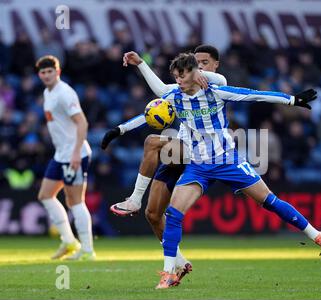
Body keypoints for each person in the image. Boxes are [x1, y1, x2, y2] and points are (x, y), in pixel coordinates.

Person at [143, 52, 321, 289]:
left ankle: (317, 235)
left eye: (182, 76)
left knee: (270, 202)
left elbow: (254, 95)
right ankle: (168, 273)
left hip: (228, 161)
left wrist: (291, 100)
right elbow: (158, 88)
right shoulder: (174, 96)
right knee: (174, 213)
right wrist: (140, 63)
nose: (178, 81)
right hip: (198, 166)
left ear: (195, 74)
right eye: (176, 77)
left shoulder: (216, 93)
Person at [101, 45, 227, 284]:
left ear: (215, 65)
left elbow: (218, 78)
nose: (200, 67)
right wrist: (120, 129)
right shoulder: (180, 91)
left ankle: (134, 199)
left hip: (202, 153)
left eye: (204, 63)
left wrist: (201, 75)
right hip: (178, 152)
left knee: (152, 142)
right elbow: (157, 103)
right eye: (196, 63)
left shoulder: (217, 85)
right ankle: (180, 263)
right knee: (153, 214)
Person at [36, 55, 95, 261]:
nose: (46, 75)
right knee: (45, 195)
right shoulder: (47, 92)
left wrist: (76, 153)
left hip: (74, 154)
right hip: (60, 155)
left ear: (57, 72)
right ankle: (69, 241)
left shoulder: (64, 93)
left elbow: (82, 123)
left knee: (75, 201)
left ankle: (87, 250)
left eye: (49, 71)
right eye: (42, 72)